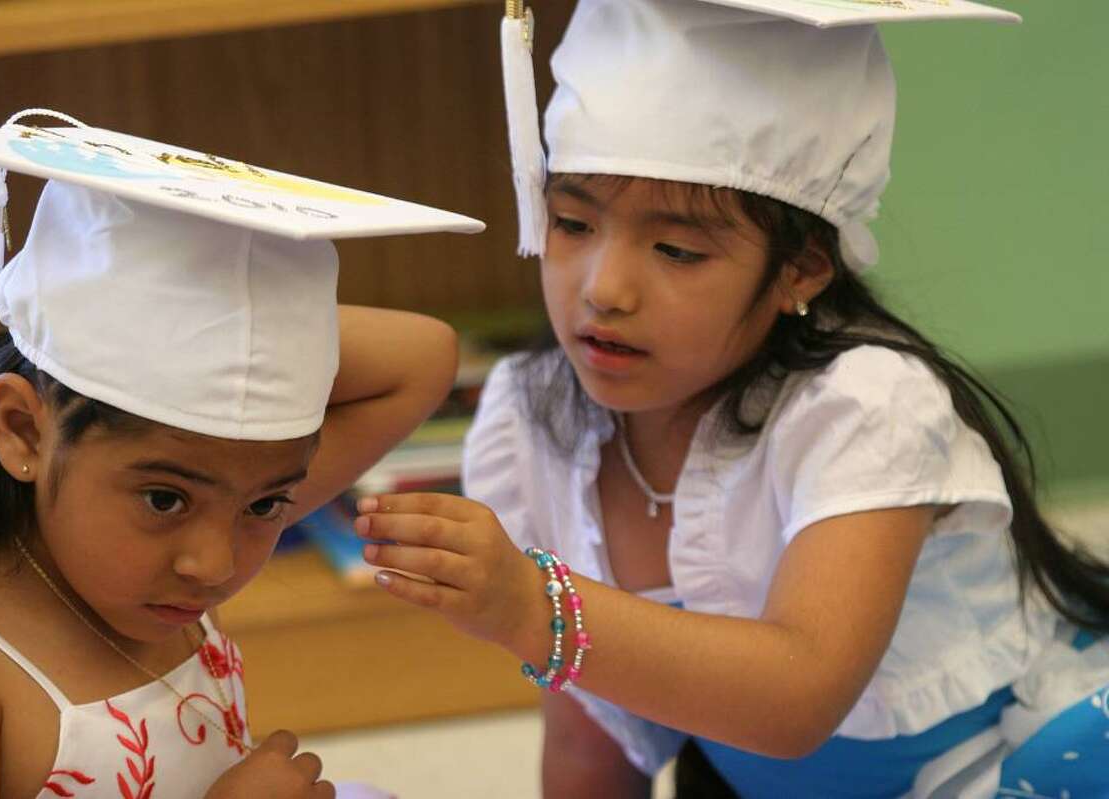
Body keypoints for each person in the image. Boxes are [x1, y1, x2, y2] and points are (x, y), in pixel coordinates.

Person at [352, 1, 1109, 796]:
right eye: (572, 222)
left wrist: (531, 604)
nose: (604, 290)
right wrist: (540, 615)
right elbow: (592, 742)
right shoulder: (534, 417)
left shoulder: (863, 405)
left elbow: (796, 697)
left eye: (677, 249)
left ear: (802, 271)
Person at [0, 112, 482, 798]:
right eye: (163, 499)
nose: (215, 564)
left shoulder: (179, 535)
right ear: (23, 430)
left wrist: (258, 333)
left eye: (269, 504)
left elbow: (423, 357)